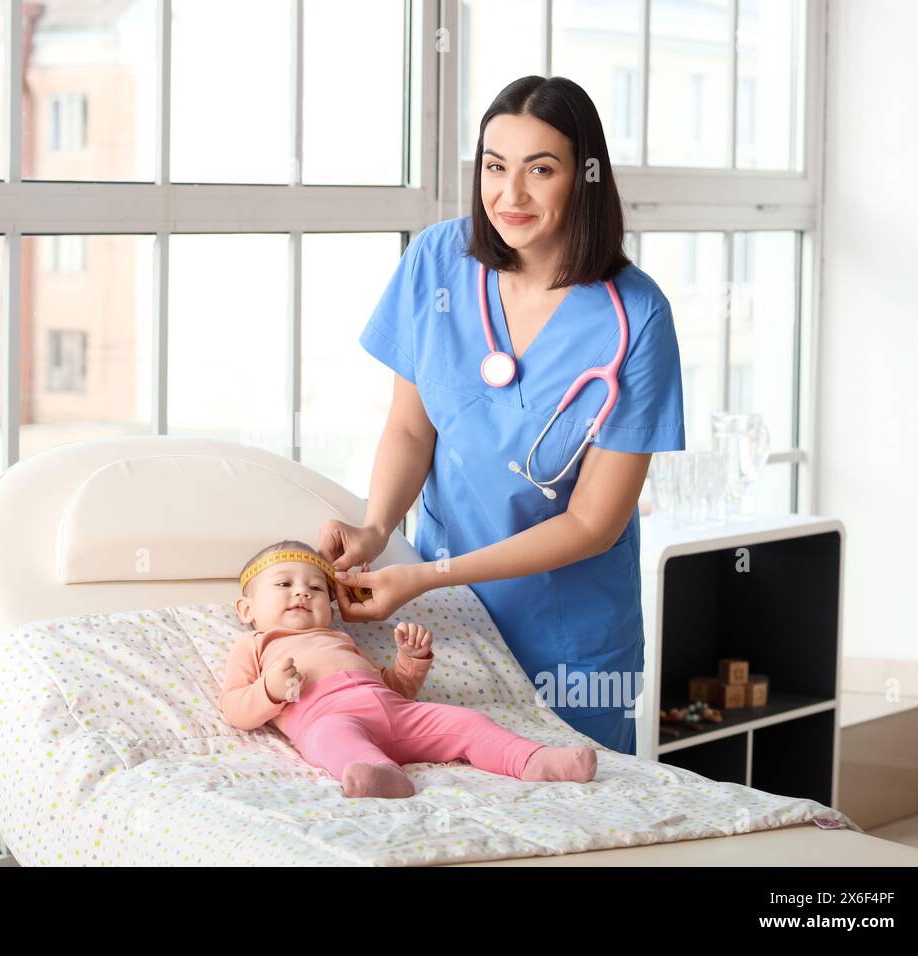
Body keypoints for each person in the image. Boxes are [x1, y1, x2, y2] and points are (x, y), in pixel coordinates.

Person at [320, 75, 685, 756]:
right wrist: (375, 527)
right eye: (495, 166)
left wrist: (425, 577)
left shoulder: (637, 317)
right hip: (445, 629)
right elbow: (410, 428)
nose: (509, 195)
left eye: (540, 170)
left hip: (571, 647)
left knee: (579, 824)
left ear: (585, 179)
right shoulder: (437, 260)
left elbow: (593, 524)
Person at [219, 540, 597, 798]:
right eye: (284, 583)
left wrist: (410, 661)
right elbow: (235, 708)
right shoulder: (255, 646)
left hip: (397, 713)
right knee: (328, 737)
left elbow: (394, 689)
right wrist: (269, 689)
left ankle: (534, 759)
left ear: (330, 608)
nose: (301, 592)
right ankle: (378, 772)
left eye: (316, 589)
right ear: (246, 610)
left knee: (468, 722)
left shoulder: (341, 639)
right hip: (330, 718)